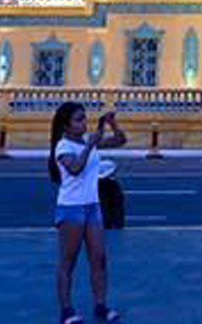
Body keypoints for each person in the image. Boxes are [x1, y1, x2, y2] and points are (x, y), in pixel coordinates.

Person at [50, 102, 127, 324]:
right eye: (78, 119)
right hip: (71, 208)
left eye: (85, 118)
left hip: (92, 206)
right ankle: (66, 311)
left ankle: (101, 305)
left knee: (99, 258)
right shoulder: (63, 146)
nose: (84, 123)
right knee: (68, 261)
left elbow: (120, 141)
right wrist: (89, 146)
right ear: (67, 125)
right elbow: (75, 168)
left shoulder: (86, 142)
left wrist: (113, 124)